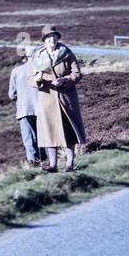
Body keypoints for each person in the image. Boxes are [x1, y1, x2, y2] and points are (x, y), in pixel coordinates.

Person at [29, 25, 88, 172]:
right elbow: (30, 79)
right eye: (48, 37)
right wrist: (37, 79)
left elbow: (77, 73)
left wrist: (65, 80)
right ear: (44, 40)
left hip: (65, 98)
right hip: (47, 99)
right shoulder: (37, 57)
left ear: (57, 38)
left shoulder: (66, 53)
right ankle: (53, 165)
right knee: (49, 131)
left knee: (68, 131)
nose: (52, 39)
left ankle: (70, 164)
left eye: (54, 36)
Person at [8, 46, 41, 165]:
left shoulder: (16, 71)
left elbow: (12, 95)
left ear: (26, 56)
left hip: (23, 109)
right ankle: (45, 160)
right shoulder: (42, 70)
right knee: (42, 136)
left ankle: (32, 163)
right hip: (40, 109)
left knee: (28, 138)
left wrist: (21, 99)